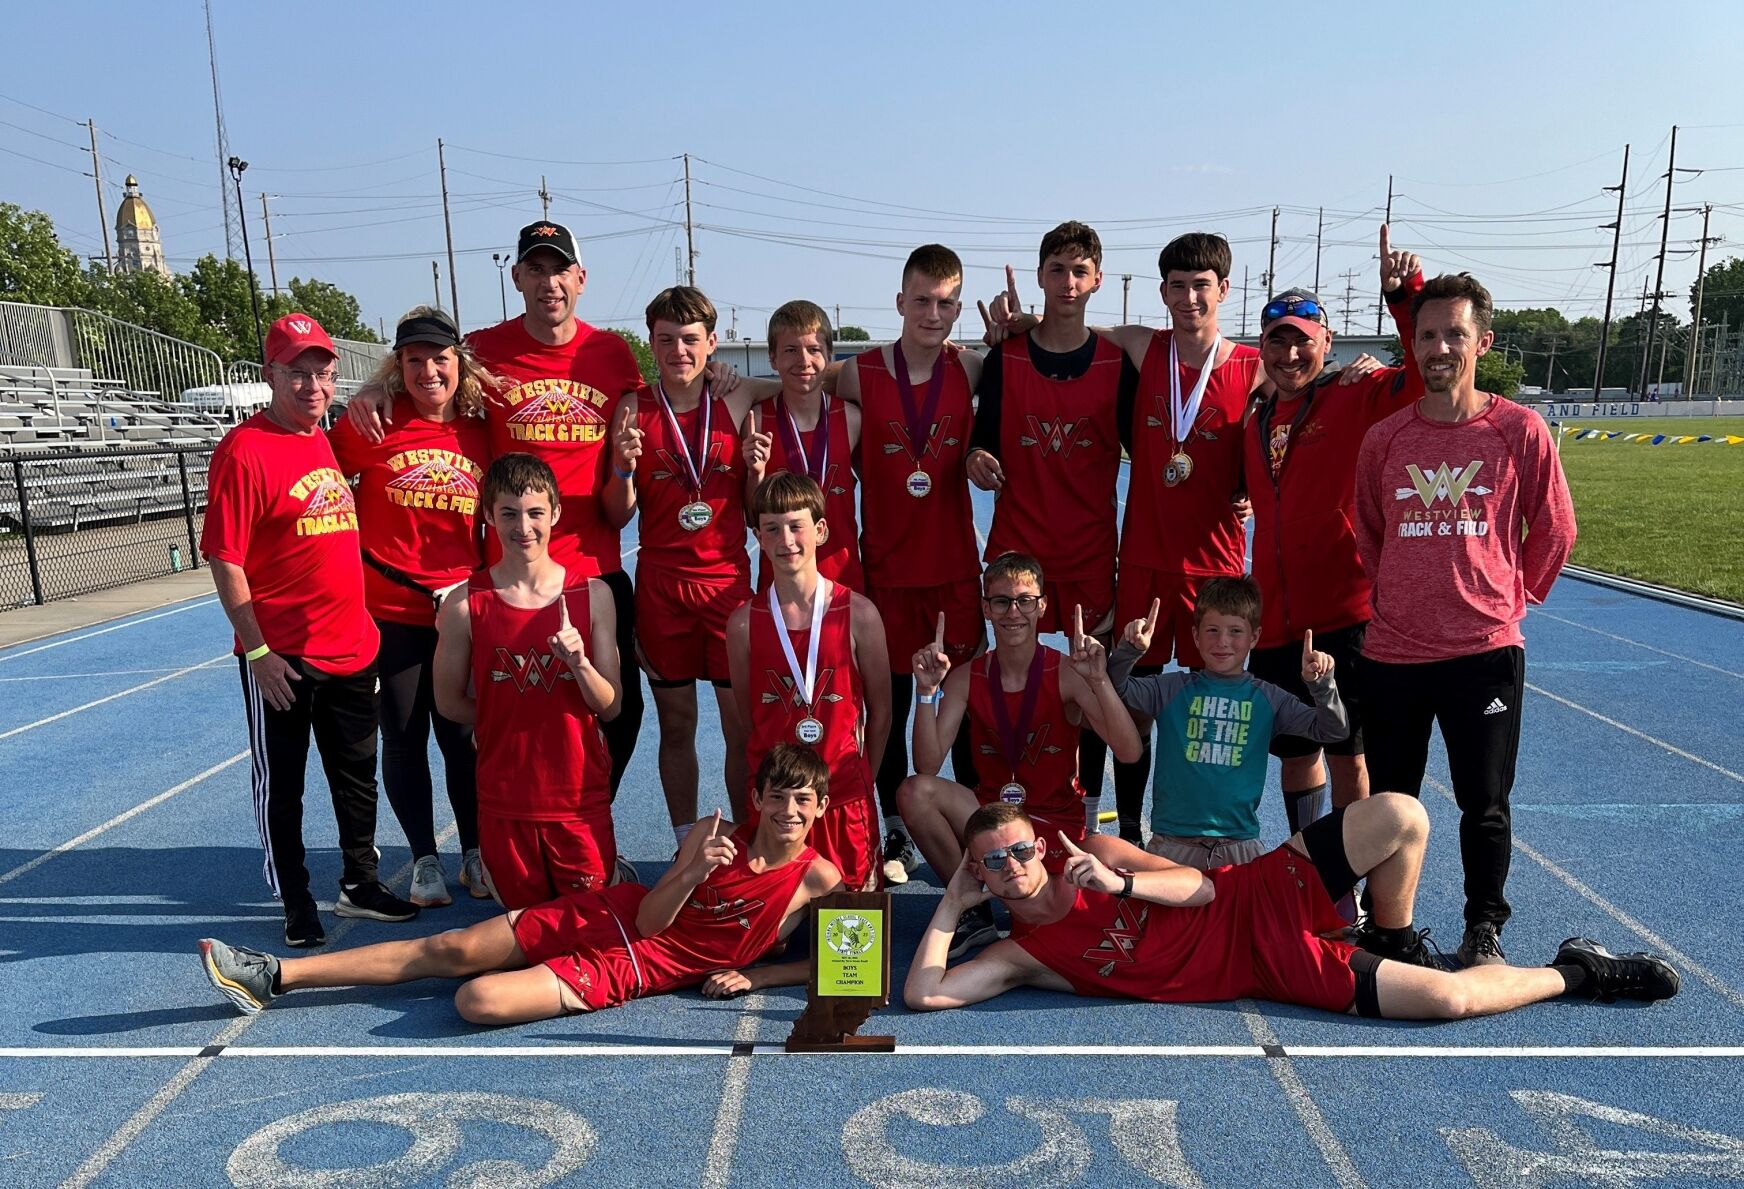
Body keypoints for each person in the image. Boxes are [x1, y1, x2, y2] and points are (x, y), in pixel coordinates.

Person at [198, 745, 844, 1025]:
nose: (788, 811)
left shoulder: (820, 877)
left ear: (819, 808)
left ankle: (514, 966)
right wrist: (694, 870)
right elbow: (651, 918)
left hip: (636, 968)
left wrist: (758, 977)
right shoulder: (714, 833)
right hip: (615, 915)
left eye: (802, 800)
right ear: (756, 798)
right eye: (778, 797)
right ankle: (276, 973)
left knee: (476, 1000)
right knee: (449, 948)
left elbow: (850, 967)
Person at [348, 221, 654, 798]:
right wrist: (374, 389)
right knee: (506, 716)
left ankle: (588, 814)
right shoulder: (484, 349)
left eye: (559, 269)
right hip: (508, 576)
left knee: (620, 710)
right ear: (516, 277)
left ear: (581, 278)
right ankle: (512, 826)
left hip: (592, 570)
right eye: (535, 269)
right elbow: (428, 374)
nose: (548, 282)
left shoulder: (611, 354)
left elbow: (625, 493)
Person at [903, 799, 1680, 1019]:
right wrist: (950, 906)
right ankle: (1578, 969)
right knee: (1449, 1000)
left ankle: (1392, 934)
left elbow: (1204, 887)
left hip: (1258, 890)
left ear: (1040, 844)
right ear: (978, 872)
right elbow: (926, 993)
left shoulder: (1097, 854)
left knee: (1403, 816)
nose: (1012, 866)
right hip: (1267, 965)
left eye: (1019, 849)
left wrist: (1122, 883)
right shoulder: (1020, 956)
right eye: (992, 862)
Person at [1356, 272, 1577, 968]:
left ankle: (1483, 926)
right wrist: (1400, 592)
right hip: (1394, 654)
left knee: (1483, 802)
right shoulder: (1385, 438)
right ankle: (1388, 928)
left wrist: (1510, 597)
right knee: (1391, 802)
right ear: (1414, 345)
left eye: (1455, 333)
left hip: (1483, 653)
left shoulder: (1519, 430)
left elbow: (1556, 527)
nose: (1440, 347)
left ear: (1483, 341)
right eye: (1427, 335)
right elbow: (1368, 530)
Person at [201, 312, 419, 947]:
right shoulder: (245, 450)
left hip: (351, 647)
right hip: (284, 658)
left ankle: (359, 883)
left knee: (356, 779)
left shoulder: (324, 437)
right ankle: (296, 900)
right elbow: (225, 558)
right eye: (298, 373)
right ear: (270, 374)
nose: (313, 386)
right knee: (285, 786)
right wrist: (258, 651)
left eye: (322, 373)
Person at [1243, 225, 1425, 839]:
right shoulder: (1255, 416)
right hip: (1276, 618)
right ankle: (1306, 859)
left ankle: (1349, 866)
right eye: (1277, 342)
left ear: (1327, 343)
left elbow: (1420, 379)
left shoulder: (1354, 393)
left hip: (1345, 614)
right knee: (1296, 752)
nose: (1290, 354)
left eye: (1303, 341)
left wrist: (1404, 297)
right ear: (1262, 347)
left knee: (1349, 752)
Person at [898, 551, 1168, 956]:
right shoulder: (965, 677)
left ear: (1042, 606)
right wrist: (925, 692)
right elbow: (928, 765)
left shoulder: (1067, 672)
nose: (1013, 612)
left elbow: (1129, 751)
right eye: (1002, 601)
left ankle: (1026, 894)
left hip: (1054, 826)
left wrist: (1099, 681)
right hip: (992, 819)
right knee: (914, 792)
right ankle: (974, 911)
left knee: (1067, 920)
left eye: (1025, 600)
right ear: (986, 608)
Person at [965, 221, 1137, 835]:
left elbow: (1152, 450)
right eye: (1057, 269)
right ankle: (992, 806)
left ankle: (1086, 816)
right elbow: (979, 441)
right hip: (1017, 548)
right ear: (1040, 276)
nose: (1068, 282)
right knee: (999, 678)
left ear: (1097, 280)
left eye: (1079, 270)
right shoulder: (1005, 358)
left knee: (1092, 678)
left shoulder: (1117, 363)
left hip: (1089, 550)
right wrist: (976, 459)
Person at [329, 307, 494, 907]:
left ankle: (474, 852)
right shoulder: (370, 424)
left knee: (463, 737)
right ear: (397, 366)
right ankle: (424, 858)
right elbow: (317, 481)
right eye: (414, 360)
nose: (428, 372)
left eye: (439, 359)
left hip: (461, 613)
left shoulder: (482, 431)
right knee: (403, 738)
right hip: (392, 613)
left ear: (459, 363)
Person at [834, 245, 987, 885]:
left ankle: (977, 824)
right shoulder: (858, 373)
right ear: (900, 302)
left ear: (958, 307)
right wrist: (732, 380)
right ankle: (897, 828)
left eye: (946, 302)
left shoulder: (973, 368)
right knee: (890, 707)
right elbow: (790, 381)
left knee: (969, 706)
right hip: (889, 574)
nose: (933, 313)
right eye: (922, 300)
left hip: (954, 572)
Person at [602, 287, 759, 844]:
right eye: (666, 340)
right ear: (651, 343)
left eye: (690, 339)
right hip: (662, 590)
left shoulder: (739, 399)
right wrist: (622, 468)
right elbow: (617, 513)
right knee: (676, 725)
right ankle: (684, 841)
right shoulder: (633, 407)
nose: (678, 351)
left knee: (741, 729)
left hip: (726, 588)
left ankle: (745, 843)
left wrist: (757, 473)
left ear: (712, 343)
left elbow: (810, 379)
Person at [432, 453, 623, 909]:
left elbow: (611, 705)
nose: (524, 527)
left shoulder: (593, 595)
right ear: (488, 515)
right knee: (523, 930)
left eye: (536, 513)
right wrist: (504, 716)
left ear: (555, 513)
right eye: (509, 514)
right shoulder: (464, 604)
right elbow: (448, 702)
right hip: (505, 799)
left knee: (589, 930)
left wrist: (580, 664)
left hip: (577, 798)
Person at [1108, 576, 1348, 870]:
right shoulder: (1170, 689)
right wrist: (1129, 650)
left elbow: (1333, 730)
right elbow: (1114, 688)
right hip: (1171, 844)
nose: (1222, 641)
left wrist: (1323, 687)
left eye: (1235, 631)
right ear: (1195, 636)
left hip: (1240, 845)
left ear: (1254, 637)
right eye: (1212, 630)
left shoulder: (1268, 698)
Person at [727, 473, 890, 889]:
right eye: (772, 529)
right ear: (758, 538)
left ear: (820, 530)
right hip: (778, 808)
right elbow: (749, 719)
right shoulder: (743, 624)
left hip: (842, 799)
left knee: (849, 924)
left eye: (796, 526)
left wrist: (860, 780)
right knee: (772, 925)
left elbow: (882, 712)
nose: (786, 541)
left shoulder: (859, 613)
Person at [742, 300, 864, 591]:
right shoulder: (756, 420)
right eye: (790, 350)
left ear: (829, 356)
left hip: (842, 578)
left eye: (813, 349)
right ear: (772, 358)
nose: (803, 360)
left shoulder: (852, 418)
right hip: (780, 583)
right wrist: (755, 475)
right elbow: (750, 516)